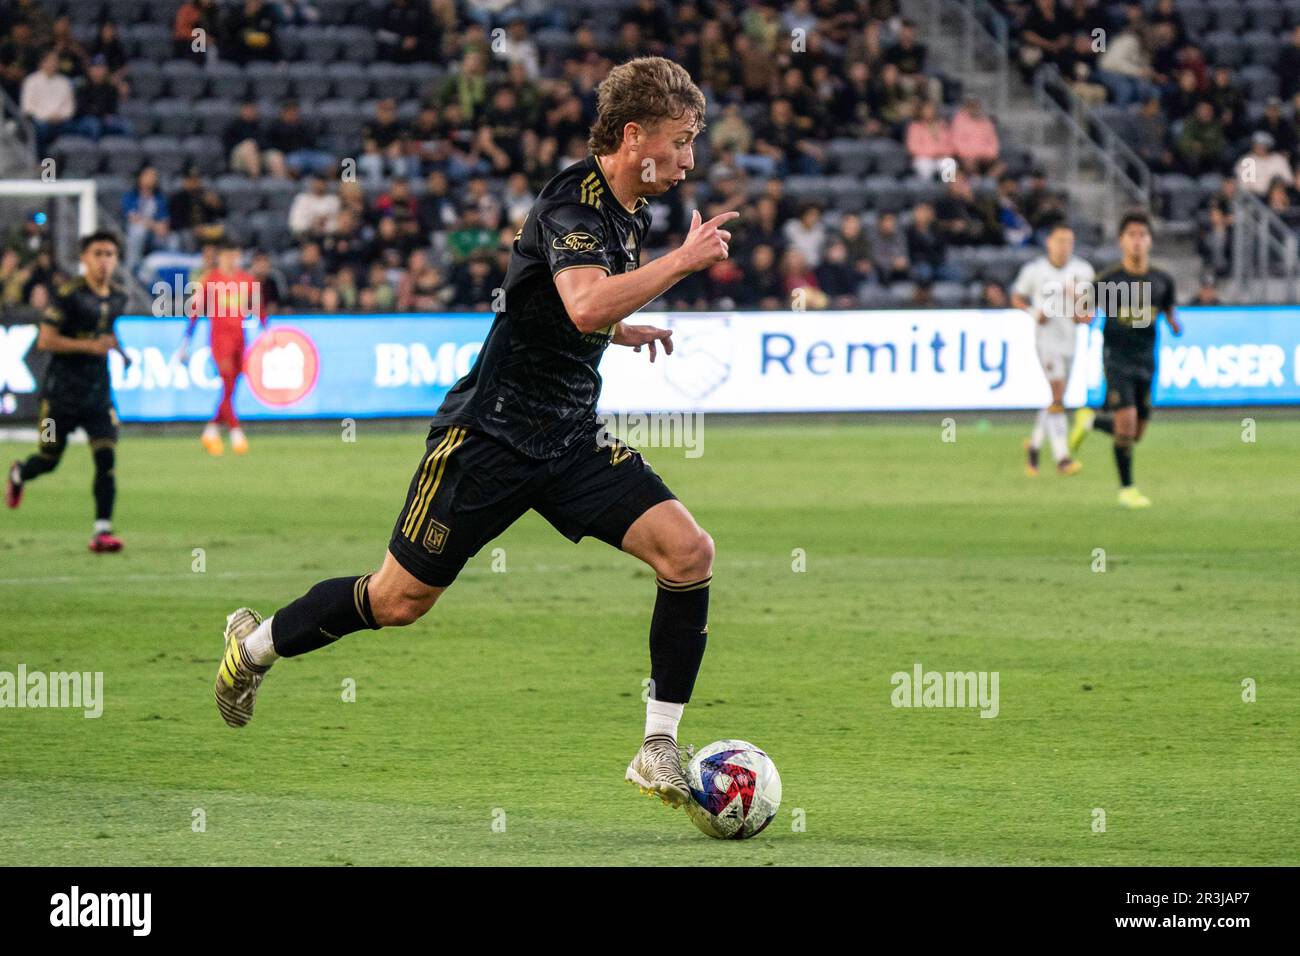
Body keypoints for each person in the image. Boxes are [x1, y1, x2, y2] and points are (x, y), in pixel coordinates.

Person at [212, 58, 735, 811]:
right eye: (682, 140)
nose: (690, 158)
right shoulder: (574, 207)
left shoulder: (631, 211)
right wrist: (679, 265)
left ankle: (658, 746)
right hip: (487, 441)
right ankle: (253, 647)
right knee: (397, 601)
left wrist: (624, 329)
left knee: (689, 552)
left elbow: (561, 308)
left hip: (567, 440)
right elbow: (583, 304)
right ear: (633, 135)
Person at [6, 232, 131, 551]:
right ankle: (20, 472)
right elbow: (46, 340)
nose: (104, 260)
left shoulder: (119, 296)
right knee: (49, 458)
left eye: (110, 254)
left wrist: (121, 352)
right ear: (84, 259)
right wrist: (90, 347)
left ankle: (102, 531)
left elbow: (105, 331)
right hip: (60, 395)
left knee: (106, 458)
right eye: (98, 253)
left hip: (98, 395)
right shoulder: (67, 295)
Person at [1069, 211, 1181, 508]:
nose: (1137, 241)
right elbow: (1083, 314)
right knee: (1127, 421)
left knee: (1136, 433)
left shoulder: (1162, 279)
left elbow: (1169, 309)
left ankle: (1090, 420)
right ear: (1121, 241)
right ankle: (1127, 489)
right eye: (1131, 235)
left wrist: (1174, 322)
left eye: (1142, 235)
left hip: (1147, 360)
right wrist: (1078, 311)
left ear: (1150, 241)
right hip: (1116, 357)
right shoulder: (1107, 280)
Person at [1010, 221, 1093, 477]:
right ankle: (1063, 459)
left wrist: (1077, 301)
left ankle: (1034, 447)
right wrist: (1035, 312)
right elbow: (1016, 297)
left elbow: (1086, 316)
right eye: (1059, 241)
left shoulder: (1083, 271)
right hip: (1046, 340)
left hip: (1070, 340)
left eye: (1069, 242)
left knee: (1057, 399)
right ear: (1049, 242)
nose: (1064, 247)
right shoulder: (1035, 271)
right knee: (1057, 395)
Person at [180, 240, 266, 455]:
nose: (229, 259)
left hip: (240, 339)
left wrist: (266, 332)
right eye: (226, 255)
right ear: (220, 257)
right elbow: (196, 312)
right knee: (226, 379)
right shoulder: (210, 280)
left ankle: (210, 431)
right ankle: (236, 433)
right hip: (219, 341)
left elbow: (258, 309)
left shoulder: (247, 280)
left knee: (230, 388)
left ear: (238, 255)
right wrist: (186, 343)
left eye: (233, 254)